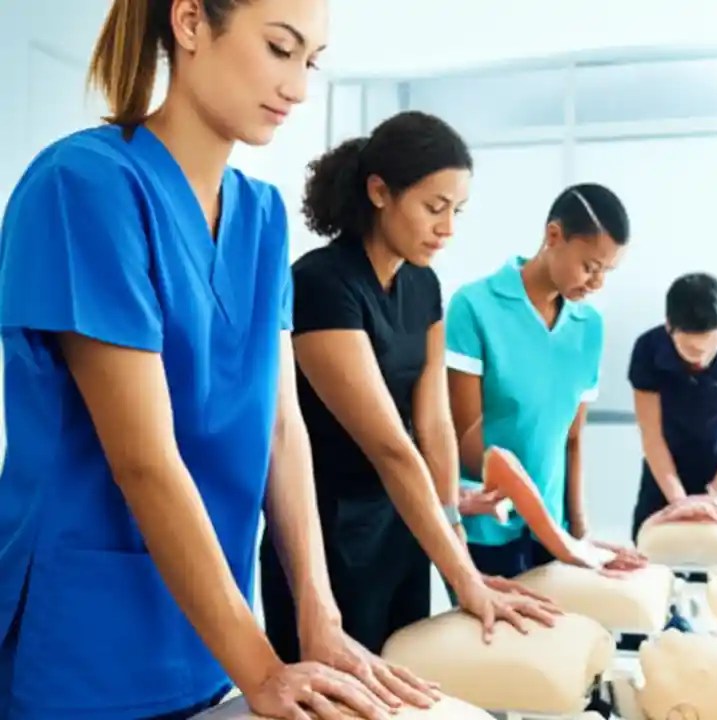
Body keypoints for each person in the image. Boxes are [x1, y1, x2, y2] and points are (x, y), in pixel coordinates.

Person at [0, 1, 436, 718]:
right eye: (279, 48)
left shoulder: (261, 218)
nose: (297, 86)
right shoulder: (85, 187)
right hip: (82, 633)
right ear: (191, 22)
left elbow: (281, 430)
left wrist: (317, 620)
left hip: (208, 629)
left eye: (311, 61)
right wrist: (263, 670)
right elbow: (142, 458)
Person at [258, 110, 560, 668]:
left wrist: (453, 543)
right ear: (380, 192)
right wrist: (463, 576)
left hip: (404, 527)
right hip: (331, 537)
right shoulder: (322, 284)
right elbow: (391, 445)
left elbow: (435, 425)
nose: (447, 227)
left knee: (409, 684)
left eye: (457, 211)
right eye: (434, 207)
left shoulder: (424, 284)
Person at [445, 183, 631, 579]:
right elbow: (463, 438)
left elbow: (573, 438)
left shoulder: (588, 326)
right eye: (590, 266)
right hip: (485, 528)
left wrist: (580, 532)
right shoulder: (474, 306)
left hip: (551, 532)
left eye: (606, 272)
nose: (596, 283)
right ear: (553, 236)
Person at [628, 272, 717, 563]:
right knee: (650, 554)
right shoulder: (648, 349)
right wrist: (679, 501)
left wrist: (713, 495)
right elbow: (651, 436)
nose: (702, 358)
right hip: (666, 467)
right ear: (670, 328)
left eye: (711, 347)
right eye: (691, 349)